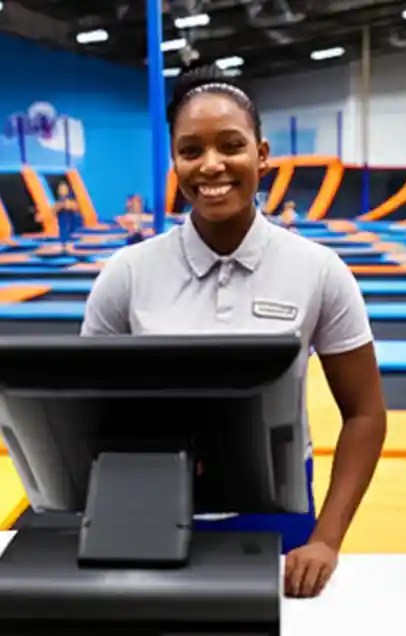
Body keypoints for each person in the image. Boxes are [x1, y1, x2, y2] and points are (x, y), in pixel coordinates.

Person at [81, 64, 388, 599]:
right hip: (151, 507)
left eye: (230, 145)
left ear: (262, 154)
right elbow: (84, 410)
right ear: (175, 162)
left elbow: (365, 414)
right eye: (191, 150)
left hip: (278, 514)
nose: (211, 165)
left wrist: (328, 539)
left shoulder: (319, 270)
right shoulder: (126, 274)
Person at [54, 181, 82, 245]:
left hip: (71, 228)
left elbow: (73, 207)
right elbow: (53, 211)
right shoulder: (57, 203)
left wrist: (63, 205)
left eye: (64, 189)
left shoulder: (71, 201)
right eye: (60, 189)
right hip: (62, 229)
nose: (62, 191)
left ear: (67, 190)